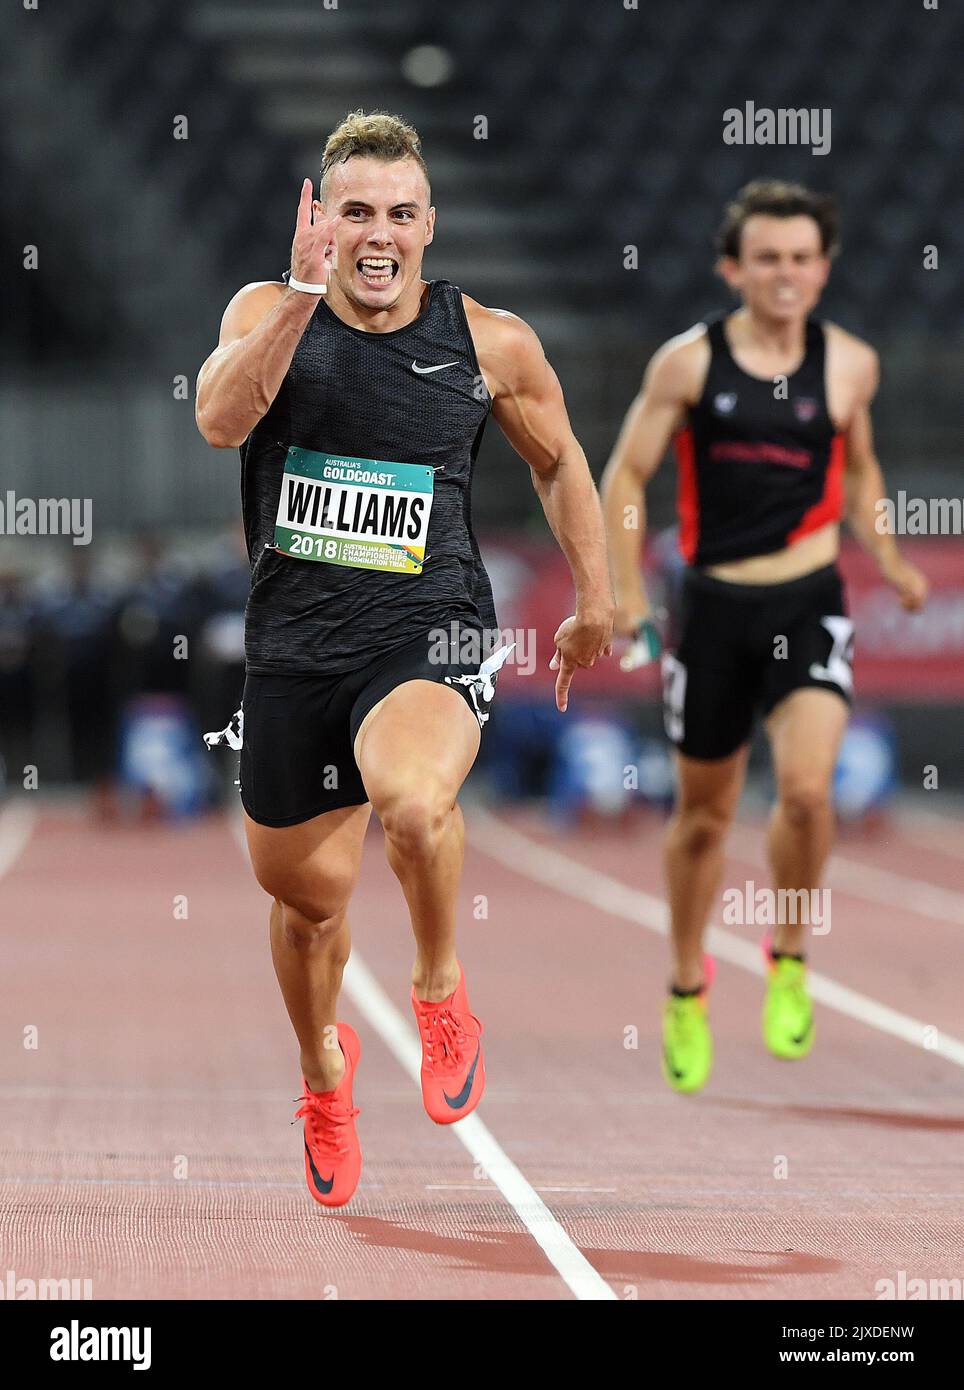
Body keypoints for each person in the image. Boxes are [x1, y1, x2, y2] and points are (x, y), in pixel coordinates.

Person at [195, 111, 613, 1205]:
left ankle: (438, 987)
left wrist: (595, 599)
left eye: (398, 214)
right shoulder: (265, 312)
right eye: (355, 213)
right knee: (309, 902)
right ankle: (324, 1071)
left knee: (416, 805)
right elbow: (219, 420)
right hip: (294, 650)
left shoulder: (488, 341)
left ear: (429, 225)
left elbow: (562, 464)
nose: (376, 236)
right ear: (322, 218)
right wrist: (293, 298)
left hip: (434, 629)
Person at [601, 179, 927, 1093]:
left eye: (801, 259)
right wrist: (628, 594)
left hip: (808, 600)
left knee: (810, 793)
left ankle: (787, 953)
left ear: (823, 271)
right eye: (767, 259)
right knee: (703, 818)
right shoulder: (689, 363)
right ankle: (684, 982)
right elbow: (625, 474)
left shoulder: (851, 365)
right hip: (710, 612)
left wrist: (890, 557)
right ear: (733, 268)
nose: (785, 274)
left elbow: (860, 474)